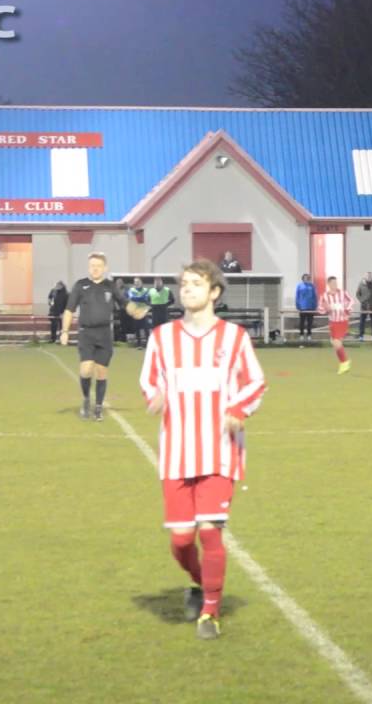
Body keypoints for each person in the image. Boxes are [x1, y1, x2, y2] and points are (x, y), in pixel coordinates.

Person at [139, 259, 266, 640]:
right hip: (177, 449)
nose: (187, 289)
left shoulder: (235, 338)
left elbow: (256, 383)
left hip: (219, 450)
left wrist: (238, 410)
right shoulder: (162, 337)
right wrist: (155, 395)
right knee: (180, 541)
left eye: (196, 284)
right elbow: (149, 379)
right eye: (185, 284)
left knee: (210, 532)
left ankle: (210, 610)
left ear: (214, 293)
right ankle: (202, 580)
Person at [60, 252, 150, 421]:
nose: (95, 269)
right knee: (86, 369)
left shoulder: (110, 286)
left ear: (105, 268)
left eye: (98, 266)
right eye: (92, 265)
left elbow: (125, 303)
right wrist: (64, 331)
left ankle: (98, 408)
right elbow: (69, 310)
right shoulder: (80, 286)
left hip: (104, 334)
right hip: (86, 333)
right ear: (89, 267)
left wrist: (137, 312)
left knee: (101, 371)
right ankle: (86, 398)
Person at [318, 275, 355, 374]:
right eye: (333, 283)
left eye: (336, 283)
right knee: (334, 343)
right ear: (329, 284)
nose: (335, 285)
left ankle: (345, 362)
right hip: (332, 322)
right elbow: (320, 309)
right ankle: (343, 363)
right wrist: (327, 308)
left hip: (342, 321)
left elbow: (351, 301)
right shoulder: (324, 296)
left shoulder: (343, 293)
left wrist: (346, 309)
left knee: (336, 342)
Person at [356, 272, 372, 342]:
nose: (369, 277)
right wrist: (362, 301)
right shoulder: (361, 284)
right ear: (365, 276)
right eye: (368, 276)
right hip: (364, 306)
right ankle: (361, 336)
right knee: (362, 322)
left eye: (370, 276)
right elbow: (358, 294)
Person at [127, 277, 152, 346]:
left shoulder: (146, 290)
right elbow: (132, 297)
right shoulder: (131, 290)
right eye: (135, 282)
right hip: (135, 311)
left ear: (141, 282)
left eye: (138, 281)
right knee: (137, 328)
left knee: (146, 328)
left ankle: (148, 343)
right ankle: (139, 344)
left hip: (144, 311)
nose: (137, 283)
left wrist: (137, 298)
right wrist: (141, 298)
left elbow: (146, 298)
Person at [294, 274, 317, 341]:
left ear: (309, 278)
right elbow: (297, 296)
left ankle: (309, 335)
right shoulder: (299, 286)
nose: (306, 279)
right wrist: (297, 305)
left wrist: (315, 306)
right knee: (302, 322)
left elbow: (315, 296)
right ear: (303, 279)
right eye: (305, 278)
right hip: (302, 307)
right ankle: (301, 335)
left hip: (311, 307)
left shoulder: (312, 286)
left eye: (307, 278)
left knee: (310, 322)